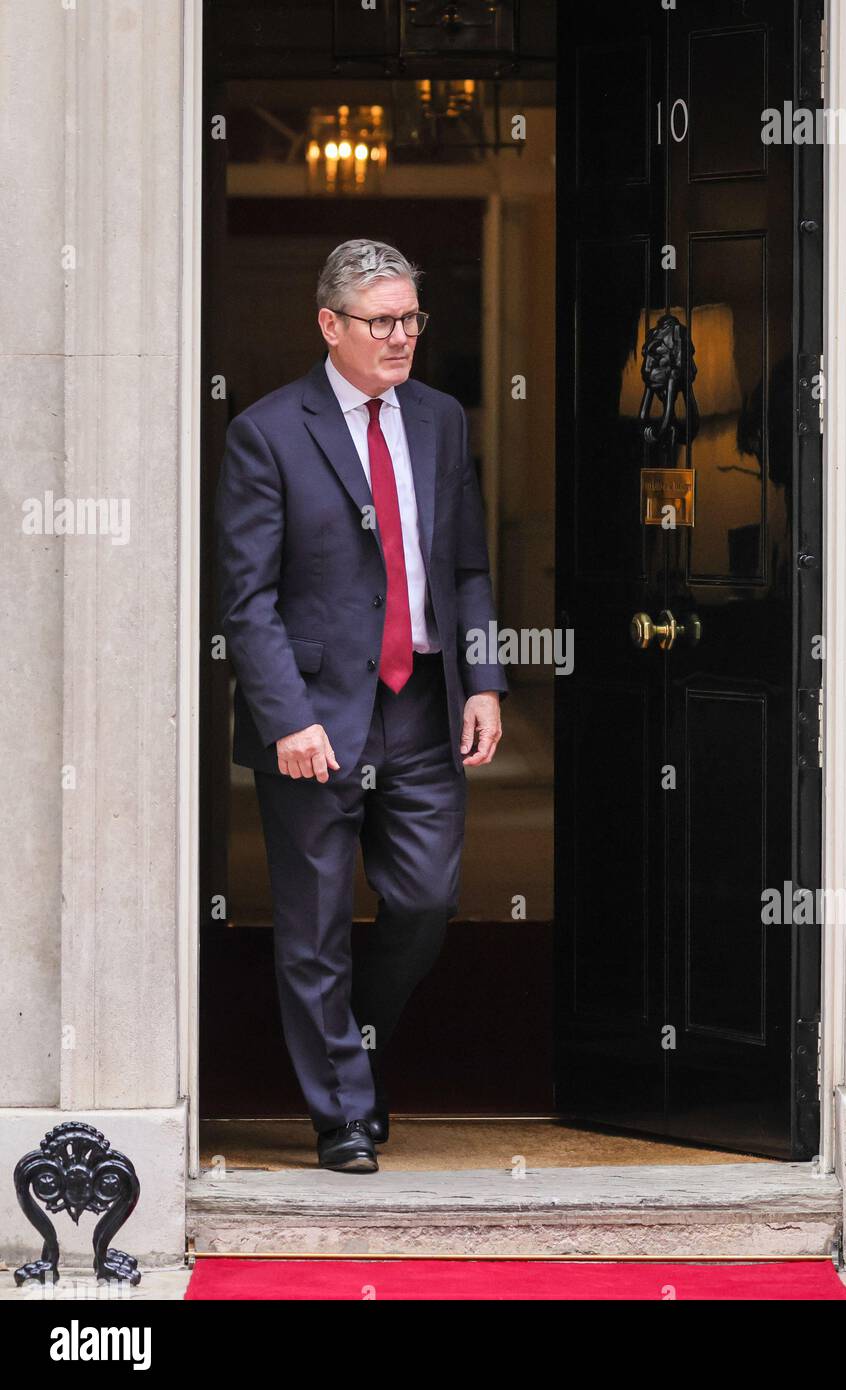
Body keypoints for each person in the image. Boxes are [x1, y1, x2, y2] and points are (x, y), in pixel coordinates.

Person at [215, 238, 507, 1173]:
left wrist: (486, 676)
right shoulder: (267, 431)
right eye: (380, 322)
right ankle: (342, 1109)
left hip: (420, 702)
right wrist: (286, 716)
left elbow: (466, 563)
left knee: (428, 898)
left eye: (412, 319)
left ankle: (355, 1038)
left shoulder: (442, 419)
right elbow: (247, 599)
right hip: (312, 715)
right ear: (329, 325)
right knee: (312, 923)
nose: (401, 337)